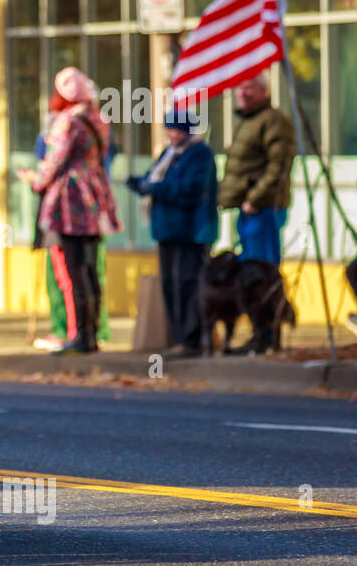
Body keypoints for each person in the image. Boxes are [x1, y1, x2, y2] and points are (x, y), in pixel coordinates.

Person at [17, 67, 121, 355]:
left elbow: (53, 163)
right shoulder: (98, 118)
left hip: (71, 203)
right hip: (96, 198)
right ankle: (91, 333)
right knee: (89, 271)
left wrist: (34, 180)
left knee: (75, 271)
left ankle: (82, 336)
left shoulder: (67, 122)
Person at [125, 110, 219, 357]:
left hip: (190, 231)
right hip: (166, 230)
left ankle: (191, 340)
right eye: (169, 129)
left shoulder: (200, 154)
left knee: (188, 284)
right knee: (170, 285)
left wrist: (156, 188)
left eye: (176, 130)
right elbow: (154, 178)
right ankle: (178, 337)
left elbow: (191, 190)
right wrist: (140, 184)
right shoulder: (169, 154)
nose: (172, 134)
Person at [221, 73, 295, 265]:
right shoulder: (249, 120)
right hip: (248, 209)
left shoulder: (272, 121)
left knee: (261, 271)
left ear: (264, 90)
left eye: (248, 88)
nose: (242, 93)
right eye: (240, 88)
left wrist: (255, 199)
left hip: (263, 209)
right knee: (249, 271)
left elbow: (279, 166)